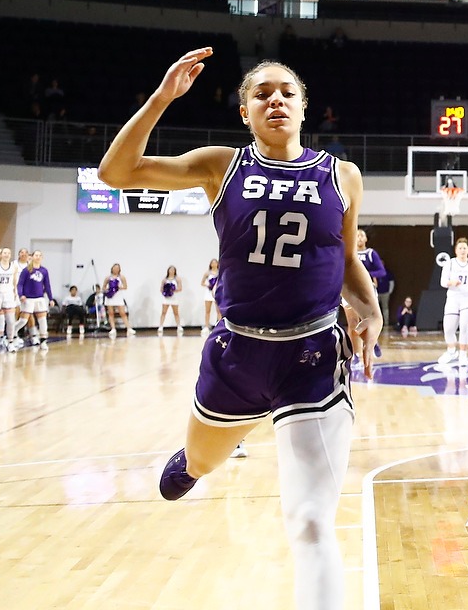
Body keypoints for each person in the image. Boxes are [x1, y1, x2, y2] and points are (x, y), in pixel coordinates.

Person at [97, 48, 380, 610]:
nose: (276, 100)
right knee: (202, 461)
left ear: (304, 108)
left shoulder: (342, 175)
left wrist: (369, 309)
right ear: (245, 112)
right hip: (236, 354)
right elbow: (115, 173)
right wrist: (162, 99)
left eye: (287, 93)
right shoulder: (221, 165)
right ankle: (194, 463)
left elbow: (346, 259)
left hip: (313, 358)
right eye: (261, 93)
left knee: (311, 521)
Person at [438, 238, 468, 368]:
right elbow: (443, 282)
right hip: (453, 298)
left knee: (464, 326)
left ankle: (463, 355)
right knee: (448, 329)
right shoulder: (450, 263)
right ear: (456, 251)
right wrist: (451, 282)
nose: (462, 250)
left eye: (464, 248)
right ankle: (451, 351)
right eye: (460, 248)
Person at [16, 250, 53, 349]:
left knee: (42, 320)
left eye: (40, 255)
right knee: (23, 321)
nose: (38, 257)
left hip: (40, 298)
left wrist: (51, 298)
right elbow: (20, 284)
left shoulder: (44, 271)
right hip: (28, 299)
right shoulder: (26, 270)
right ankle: (12, 334)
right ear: (32, 257)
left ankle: (43, 341)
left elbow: (47, 285)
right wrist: (21, 295)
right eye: (36, 255)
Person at [354, 230, 389, 333]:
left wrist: (367, 274)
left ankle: (372, 341)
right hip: (352, 288)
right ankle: (354, 343)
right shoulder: (350, 253)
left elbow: (382, 271)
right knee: (353, 321)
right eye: (357, 235)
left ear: (366, 239)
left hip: (367, 288)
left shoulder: (370, 253)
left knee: (369, 318)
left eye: (362, 235)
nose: (360, 238)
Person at [102, 263, 133, 338]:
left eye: (117, 268)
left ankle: (128, 328)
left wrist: (118, 287)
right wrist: (108, 290)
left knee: (122, 313)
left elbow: (125, 287)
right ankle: (113, 329)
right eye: (114, 268)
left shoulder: (121, 277)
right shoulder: (108, 277)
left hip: (118, 296)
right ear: (112, 268)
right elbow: (103, 287)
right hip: (110, 296)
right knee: (111, 313)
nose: (116, 269)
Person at [157, 265, 184, 335]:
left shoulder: (177, 279)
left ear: (175, 271)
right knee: (163, 312)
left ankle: (179, 326)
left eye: (173, 270)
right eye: (170, 270)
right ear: (168, 271)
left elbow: (180, 288)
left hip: (174, 298)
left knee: (176, 313)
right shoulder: (165, 279)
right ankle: (161, 326)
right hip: (166, 298)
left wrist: (173, 289)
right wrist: (166, 291)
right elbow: (161, 289)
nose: (171, 271)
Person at [200, 259, 221, 334]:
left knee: (218, 311)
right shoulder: (207, 273)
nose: (214, 264)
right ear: (210, 264)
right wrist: (208, 285)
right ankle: (206, 326)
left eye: (215, 263)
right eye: (212, 263)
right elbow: (202, 283)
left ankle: (219, 326)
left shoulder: (220, 272)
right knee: (207, 310)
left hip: (217, 292)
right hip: (209, 293)